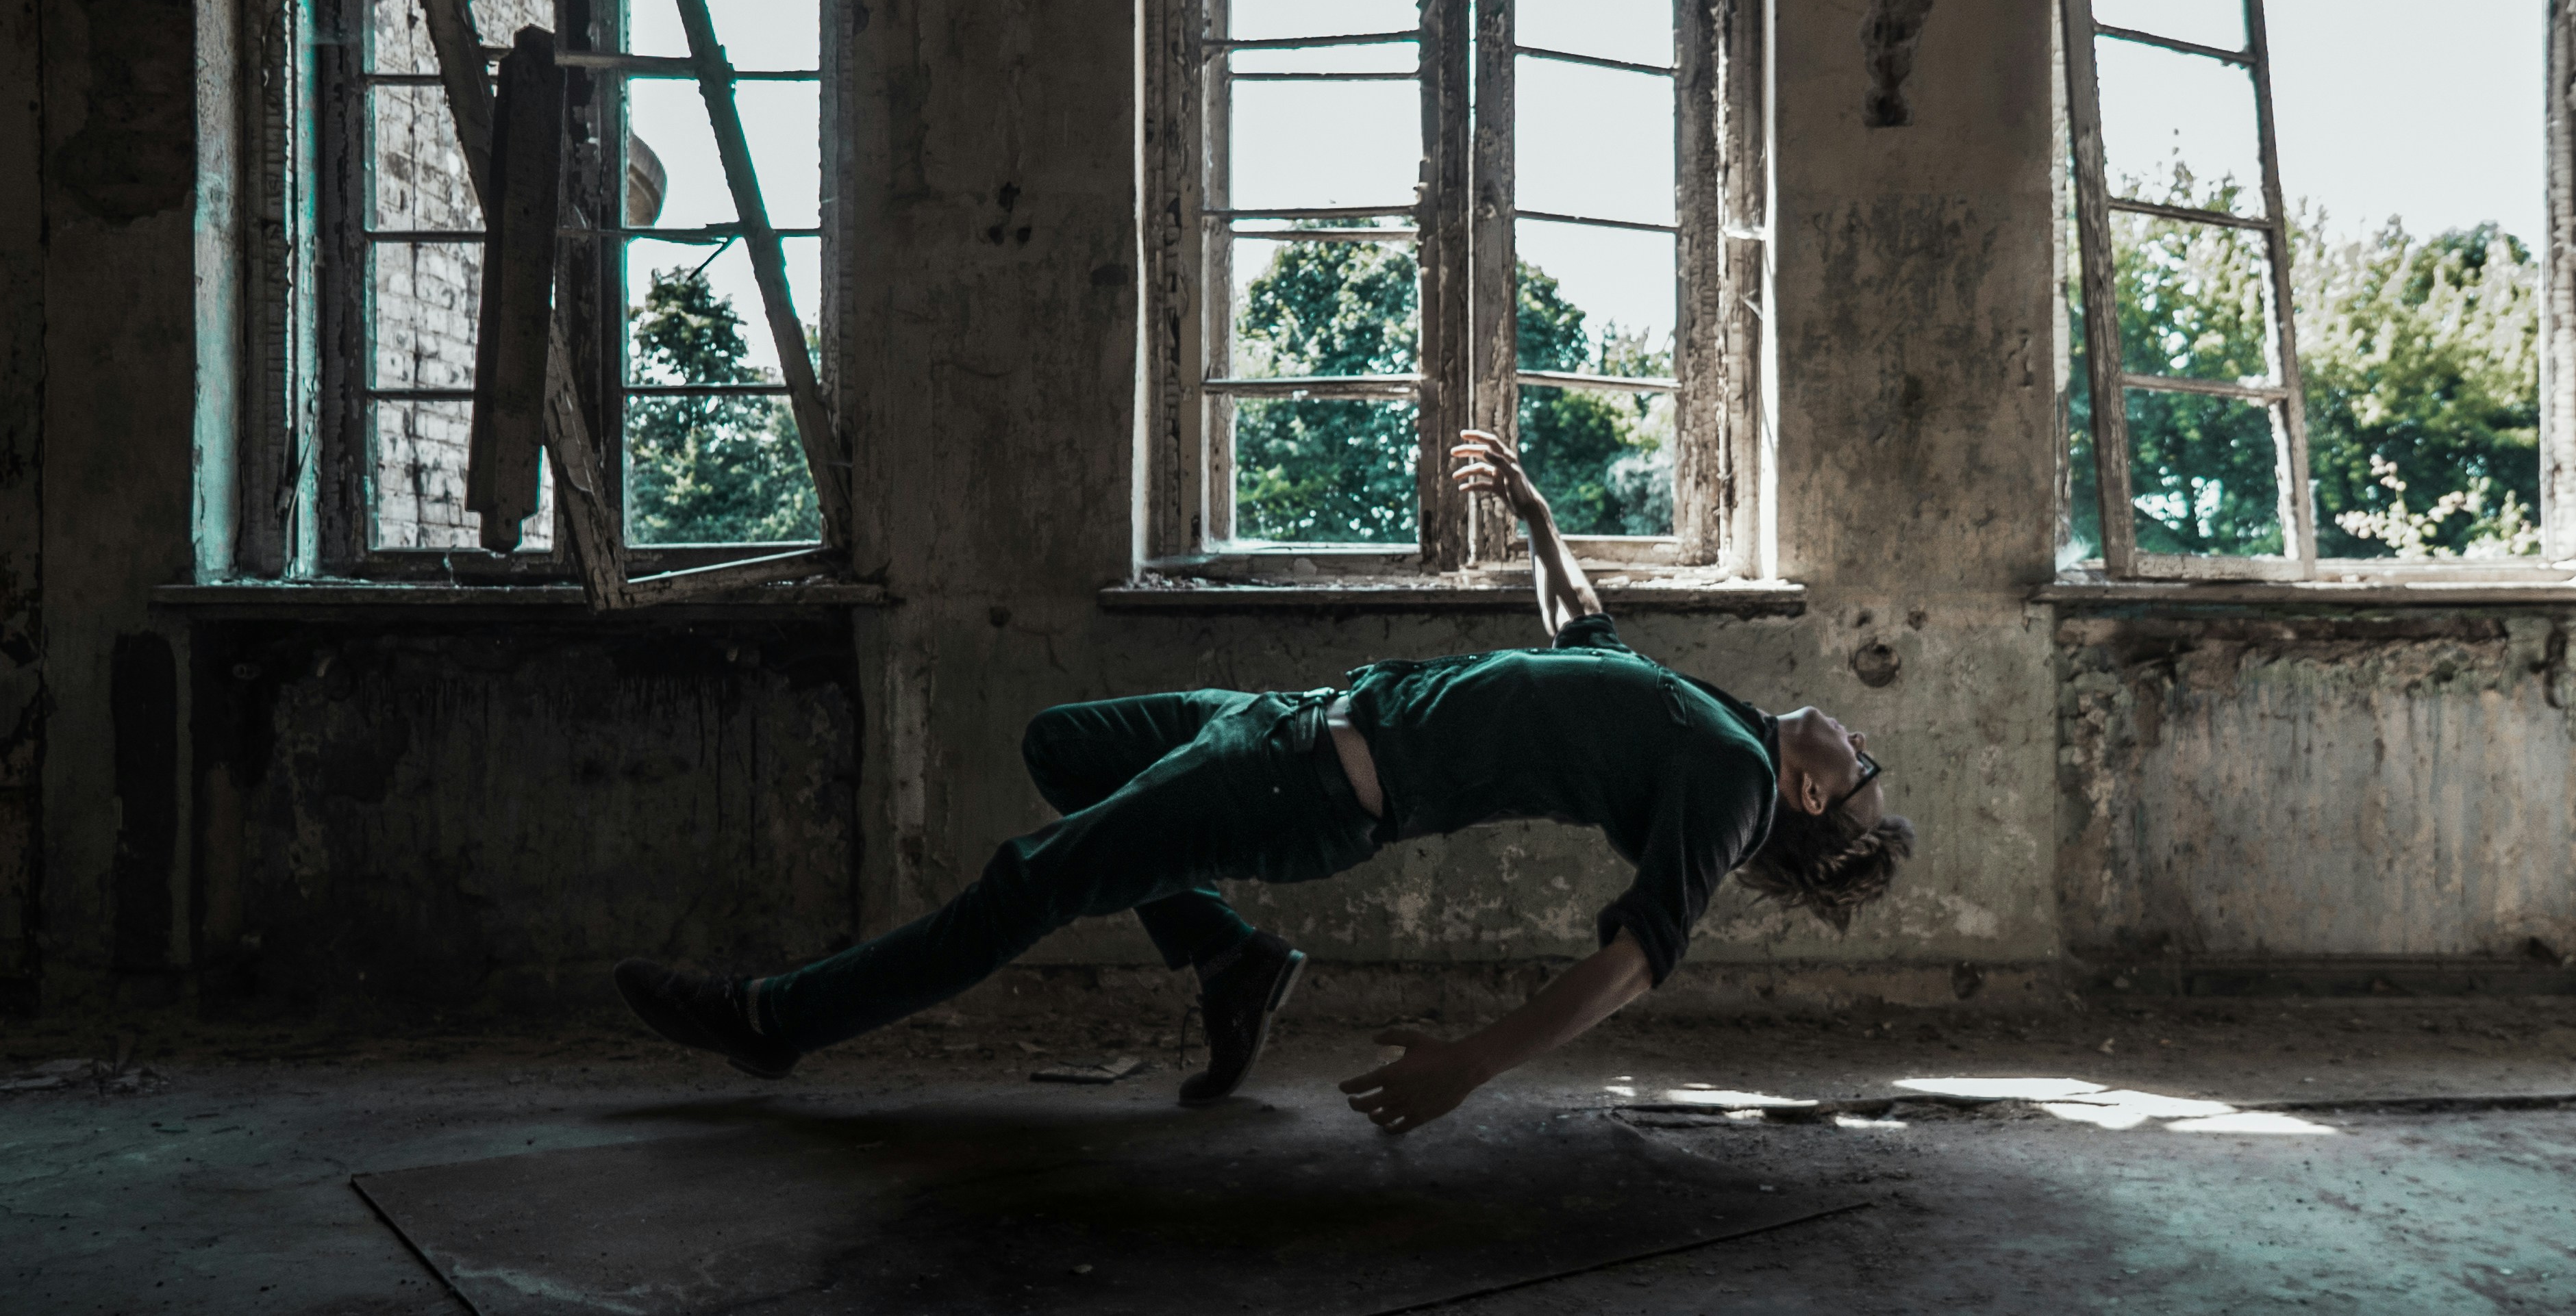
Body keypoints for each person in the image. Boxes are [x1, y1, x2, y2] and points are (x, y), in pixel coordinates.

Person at [616, 429, 1914, 1134]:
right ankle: (1232, 964)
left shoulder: (1733, 792)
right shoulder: (1716, 723)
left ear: (1812, 800)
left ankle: (772, 1018)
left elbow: (1641, 956)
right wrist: (1532, 518)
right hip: (1283, 720)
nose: (1858, 739)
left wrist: (1467, 1063)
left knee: (1032, 879)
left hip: (1305, 784)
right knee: (1065, 746)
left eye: (1859, 767)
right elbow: (1586, 633)